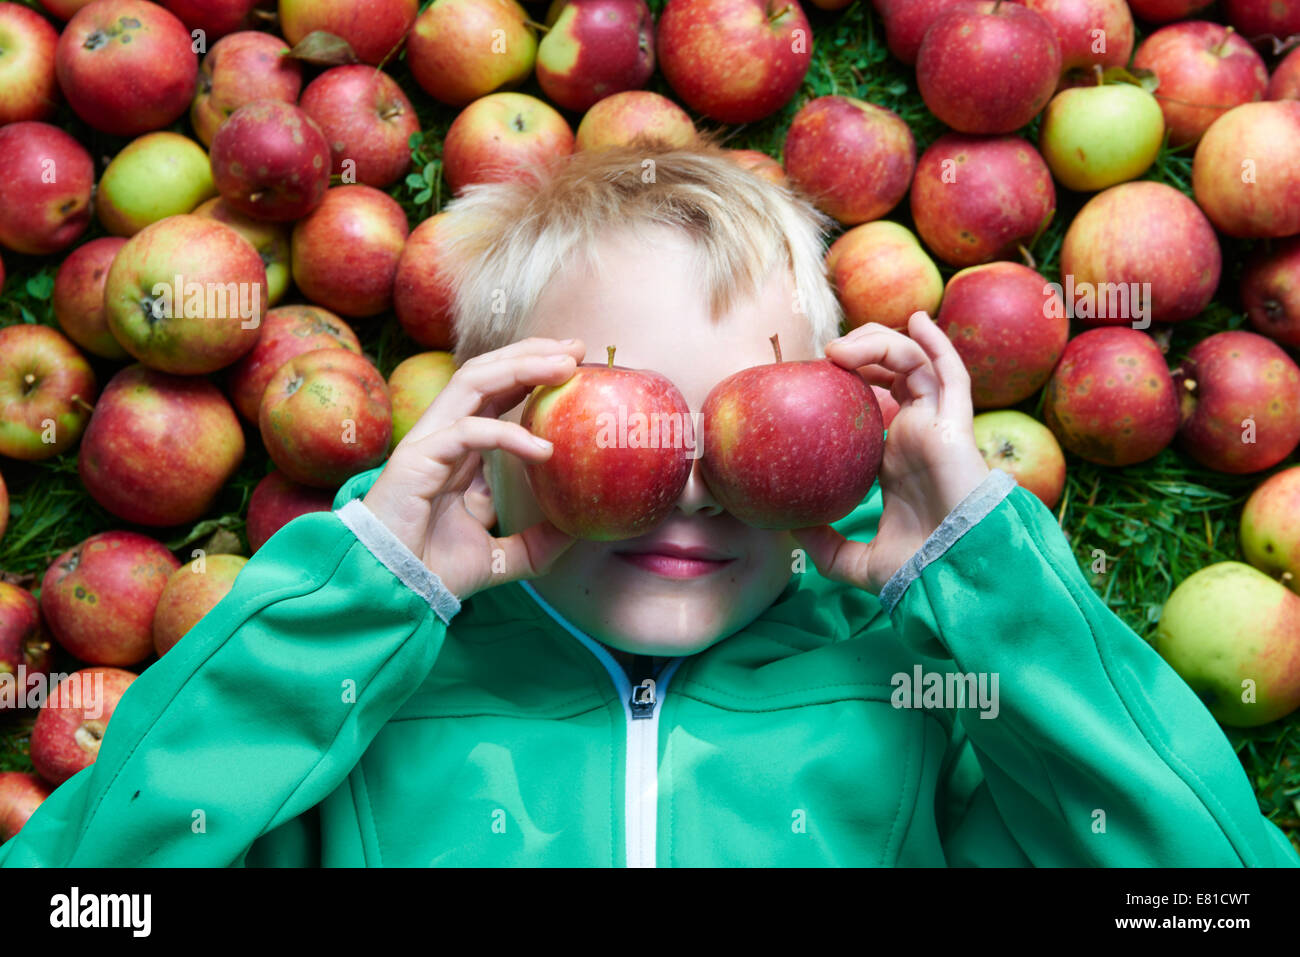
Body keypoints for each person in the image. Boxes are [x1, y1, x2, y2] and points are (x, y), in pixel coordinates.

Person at [4, 141, 1297, 866]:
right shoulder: (356, 716)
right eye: (626, 411)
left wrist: (986, 584)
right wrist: (358, 597)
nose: (688, 474)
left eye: (750, 422)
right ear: (489, 437)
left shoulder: (921, 701)